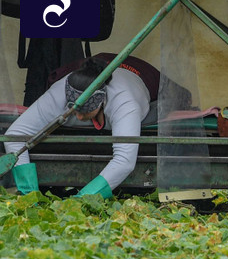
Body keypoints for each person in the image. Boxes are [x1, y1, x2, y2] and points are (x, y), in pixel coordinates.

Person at [4, 56, 157, 197]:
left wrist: (82, 199)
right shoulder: (59, 92)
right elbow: (14, 136)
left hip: (139, 70)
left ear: (100, 101)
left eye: (85, 111)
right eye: (74, 110)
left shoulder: (125, 102)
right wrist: (30, 194)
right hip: (97, 61)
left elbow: (125, 161)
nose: (78, 117)